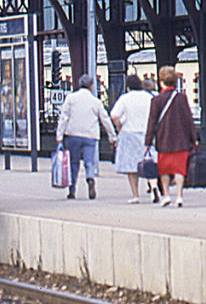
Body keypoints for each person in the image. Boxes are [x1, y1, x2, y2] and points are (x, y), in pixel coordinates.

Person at [56, 74, 118, 200]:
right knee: (89, 162)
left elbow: (64, 118)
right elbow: (105, 119)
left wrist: (59, 136)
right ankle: (90, 178)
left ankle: (72, 190)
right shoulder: (96, 101)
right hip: (90, 136)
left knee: (73, 163)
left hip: (73, 135)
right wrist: (112, 137)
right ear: (91, 86)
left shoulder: (71, 98)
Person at [145, 66, 198, 207]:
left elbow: (152, 122)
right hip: (181, 140)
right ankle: (179, 196)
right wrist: (193, 138)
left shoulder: (156, 100)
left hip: (164, 140)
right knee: (179, 170)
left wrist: (148, 141)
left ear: (161, 81)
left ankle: (166, 195)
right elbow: (189, 119)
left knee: (164, 169)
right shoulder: (182, 98)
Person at [111, 74, 153, 203]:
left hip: (129, 133)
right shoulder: (148, 97)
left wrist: (118, 127)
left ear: (128, 87)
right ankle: (154, 187)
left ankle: (135, 195)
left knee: (131, 166)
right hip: (146, 133)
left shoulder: (125, 98)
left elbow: (114, 115)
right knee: (149, 163)